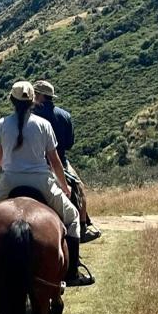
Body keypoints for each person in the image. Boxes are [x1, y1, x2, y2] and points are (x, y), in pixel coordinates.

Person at [0, 80, 95, 286]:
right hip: (41, 180)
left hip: (9, 180)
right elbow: (55, 161)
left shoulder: (0, 124)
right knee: (72, 217)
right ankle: (72, 273)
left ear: (11, 100)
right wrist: (64, 186)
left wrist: (11, 165)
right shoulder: (43, 125)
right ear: (33, 100)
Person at [32, 79, 101, 242]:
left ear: (40, 96)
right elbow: (69, 143)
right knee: (79, 188)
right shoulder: (64, 116)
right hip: (60, 162)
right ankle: (82, 228)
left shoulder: (30, 115)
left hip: (35, 162)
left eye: (35, 94)